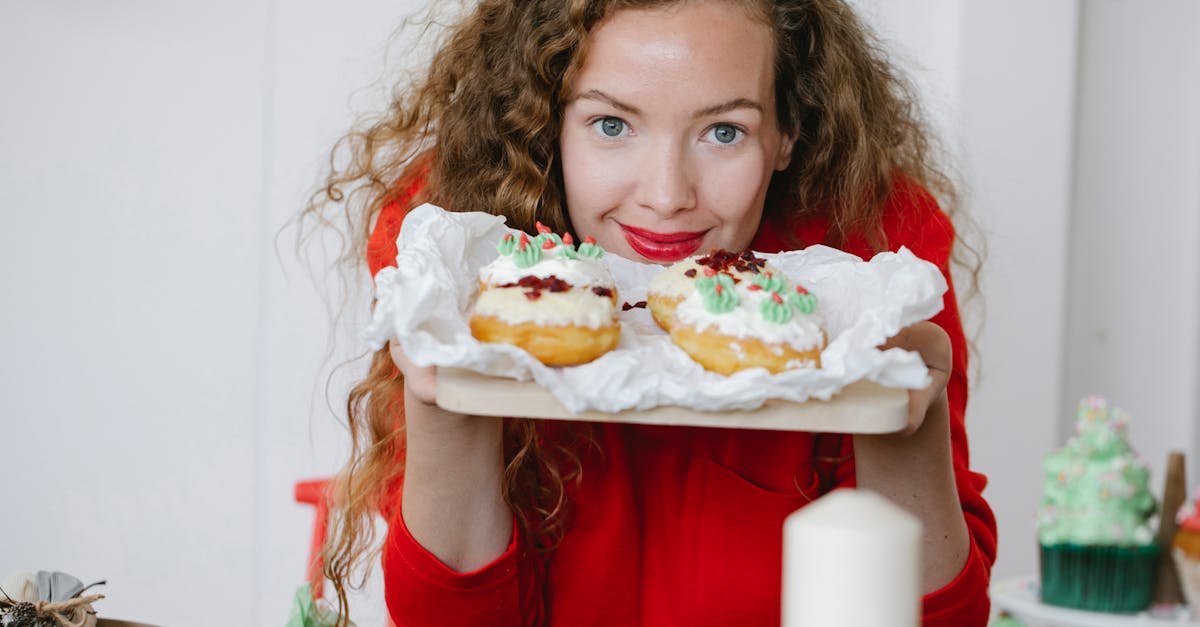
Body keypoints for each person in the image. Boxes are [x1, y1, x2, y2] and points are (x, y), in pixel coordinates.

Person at [303, 0, 996, 625]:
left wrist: (903, 421)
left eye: (724, 132)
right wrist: (448, 397)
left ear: (788, 129)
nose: (666, 195)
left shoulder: (874, 264)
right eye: (612, 124)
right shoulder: (452, 257)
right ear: (547, 121)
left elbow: (943, 619)